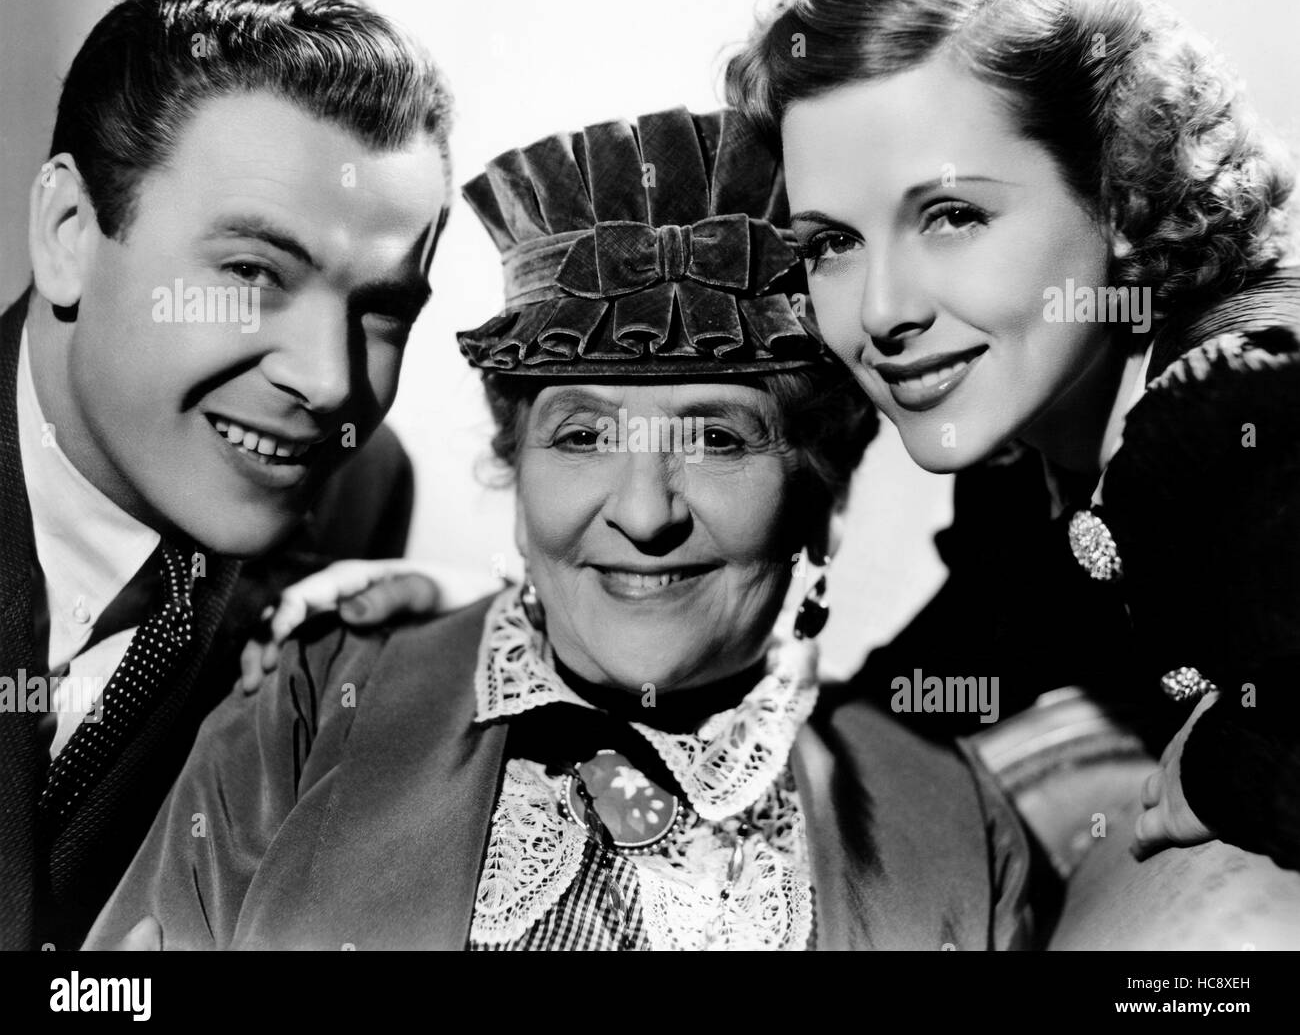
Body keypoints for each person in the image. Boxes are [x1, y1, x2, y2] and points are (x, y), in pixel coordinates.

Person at [85, 107, 1032, 951]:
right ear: (516, 466)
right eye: (581, 435)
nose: (643, 512)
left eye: (715, 438)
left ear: (818, 486)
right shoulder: (309, 704)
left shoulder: (951, 827)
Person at [722, 0, 1300, 891]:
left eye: (951, 218)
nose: (880, 312)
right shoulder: (1031, 450)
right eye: (831, 244)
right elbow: (961, 660)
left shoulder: (1243, 418)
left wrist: (1236, 767)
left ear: (1122, 192)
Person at [0, 0, 453, 949]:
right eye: (255, 273)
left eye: (380, 311)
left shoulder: (356, 499)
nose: (331, 382)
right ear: (70, 235)